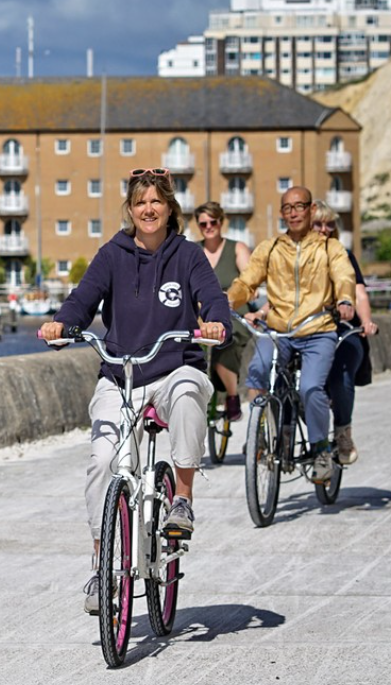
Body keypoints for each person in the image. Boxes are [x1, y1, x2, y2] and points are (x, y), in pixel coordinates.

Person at [40, 167, 231, 615]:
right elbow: (82, 300)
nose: (148, 209)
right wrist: (61, 323)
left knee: (189, 393)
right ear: (130, 209)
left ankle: (181, 499)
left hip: (172, 367)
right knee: (103, 462)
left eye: (156, 202)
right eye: (140, 202)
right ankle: (101, 564)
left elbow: (212, 297)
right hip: (120, 374)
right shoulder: (113, 254)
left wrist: (214, 321)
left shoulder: (187, 256)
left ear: (169, 209)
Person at [226, 187, 356, 484]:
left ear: (311, 210)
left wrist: (345, 300)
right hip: (279, 331)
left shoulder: (328, 248)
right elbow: (247, 282)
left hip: (318, 330)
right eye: (288, 208)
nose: (294, 212)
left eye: (300, 206)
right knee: (258, 369)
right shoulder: (270, 248)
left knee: (311, 388)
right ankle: (265, 434)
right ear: (282, 213)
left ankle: (321, 449)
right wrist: (227, 300)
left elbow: (344, 276)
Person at [313, 200, 378, 464]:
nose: (325, 229)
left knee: (341, 375)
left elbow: (359, 291)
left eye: (330, 224)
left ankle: (342, 432)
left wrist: (366, 321)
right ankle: (278, 432)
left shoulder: (343, 254)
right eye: (318, 223)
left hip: (342, 326)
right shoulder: (292, 254)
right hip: (304, 327)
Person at [193, 201, 253, 421]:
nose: (209, 227)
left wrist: (228, 298)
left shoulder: (237, 248)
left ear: (221, 222)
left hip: (233, 313)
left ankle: (232, 396)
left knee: (224, 343)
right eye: (203, 224)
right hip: (200, 313)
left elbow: (249, 283)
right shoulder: (193, 251)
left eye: (213, 222)